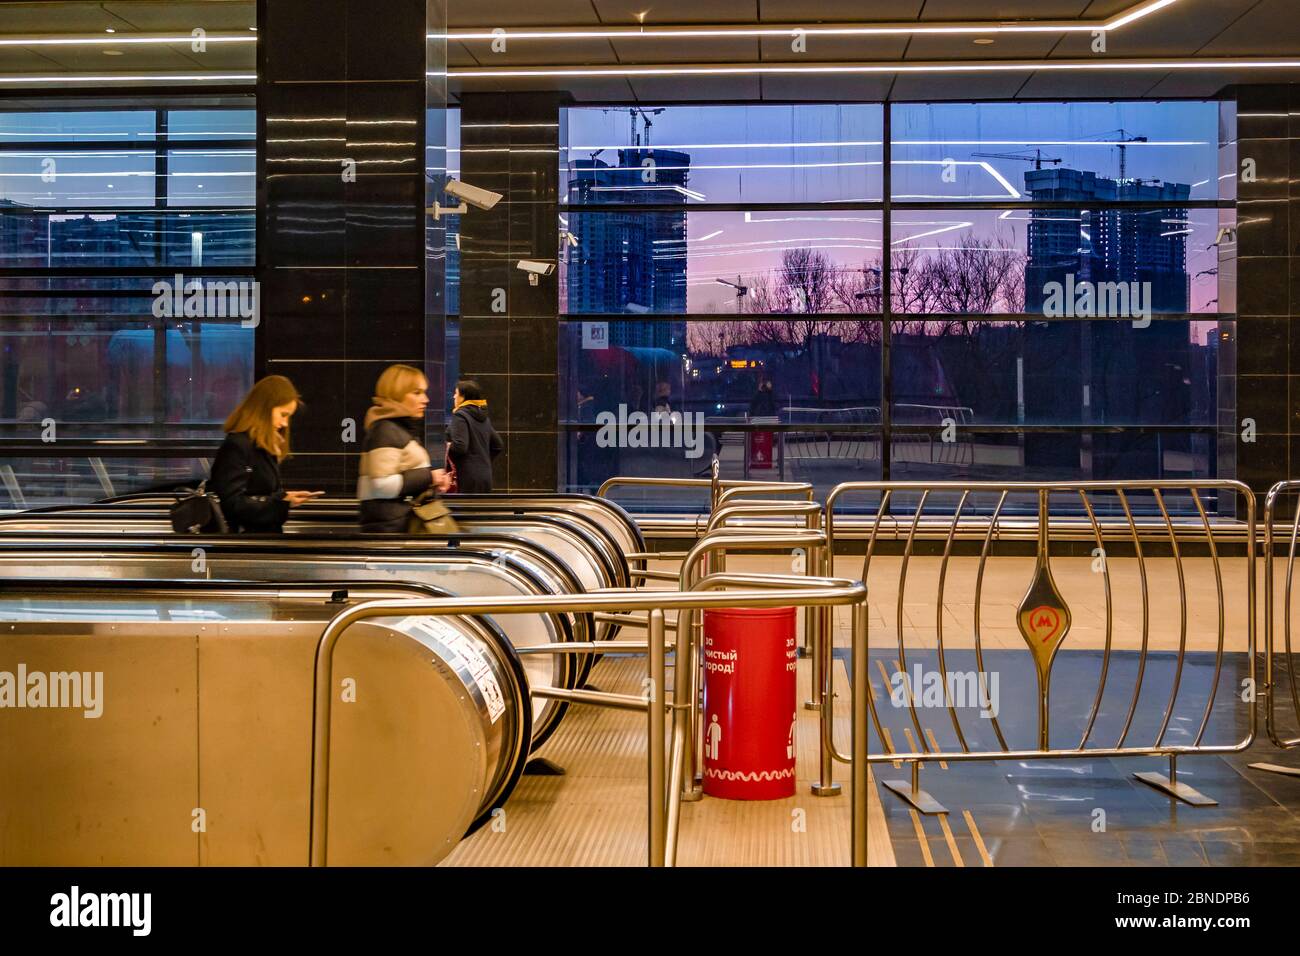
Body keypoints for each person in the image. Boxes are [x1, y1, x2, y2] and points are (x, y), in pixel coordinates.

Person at [209, 375, 321, 533]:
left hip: (260, 538)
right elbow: (232, 503)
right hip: (246, 543)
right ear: (264, 408)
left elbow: (258, 492)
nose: (285, 423)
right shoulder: (238, 445)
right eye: (283, 414)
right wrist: (279, 502)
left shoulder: (262, 446)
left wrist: (285, 499)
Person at [358, 364, 451, 532]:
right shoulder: (385, 430)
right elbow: (381, 485)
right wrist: (430, 477)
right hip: (392, 531)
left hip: (398, 525)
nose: (425, 399)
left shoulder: (397, 429)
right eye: (417, 393)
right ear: (396, 396)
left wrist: (431, 480)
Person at [447, 379, 503, 494]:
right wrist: (482, 461)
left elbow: (460, 447)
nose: (453, 397)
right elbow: (498, 445)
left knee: (462, 511)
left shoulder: (460, 415)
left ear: (464, 397)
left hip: (466, 478)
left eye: (456, 393)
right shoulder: (483, 417)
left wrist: (446, 446)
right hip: (485, 476)